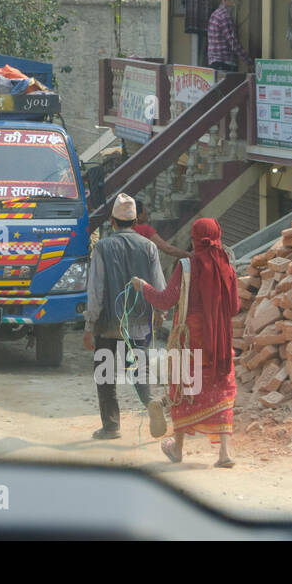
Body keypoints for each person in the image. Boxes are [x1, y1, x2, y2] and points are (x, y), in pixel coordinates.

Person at [131, 217, 239, 468]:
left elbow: (165, 300)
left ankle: (177, 448)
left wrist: (143, 287)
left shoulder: (186, 266)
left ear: (194, 238)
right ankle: (225, 452)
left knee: (182, 388)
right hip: (219, 339)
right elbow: (234, 307)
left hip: (188, 339)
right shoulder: (227, 267)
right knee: (219, 386)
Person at [83, 193, 167, 440]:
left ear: (113, 221)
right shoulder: (149, 246)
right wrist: (160, 312)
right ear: (135, 220)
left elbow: (96, 289)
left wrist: (89, 324)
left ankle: (111, 426)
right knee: (139, 370)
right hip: (139, 324)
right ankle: (151, 402)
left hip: (108, 324)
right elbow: (158, 283)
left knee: (105, 376)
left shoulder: (102, 247)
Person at [207, 0, 252, 72]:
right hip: (224, 64)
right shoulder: (224, 16)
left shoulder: (216, 13)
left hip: (215, 62)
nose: (240, 1)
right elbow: (233, 43)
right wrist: (248, 61)